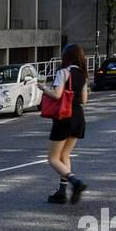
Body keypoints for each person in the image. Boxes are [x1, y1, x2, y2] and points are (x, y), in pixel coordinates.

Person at [41, 44, 90, 205]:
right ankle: (62, 193)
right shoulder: (83, 75)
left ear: (66, 57)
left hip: (64, 117)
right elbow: (84, 100)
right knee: (65, 155)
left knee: (53, 158)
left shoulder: (63, 72)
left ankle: (75, 182)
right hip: (78, 118)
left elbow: (56, 95)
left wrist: (43, 87)